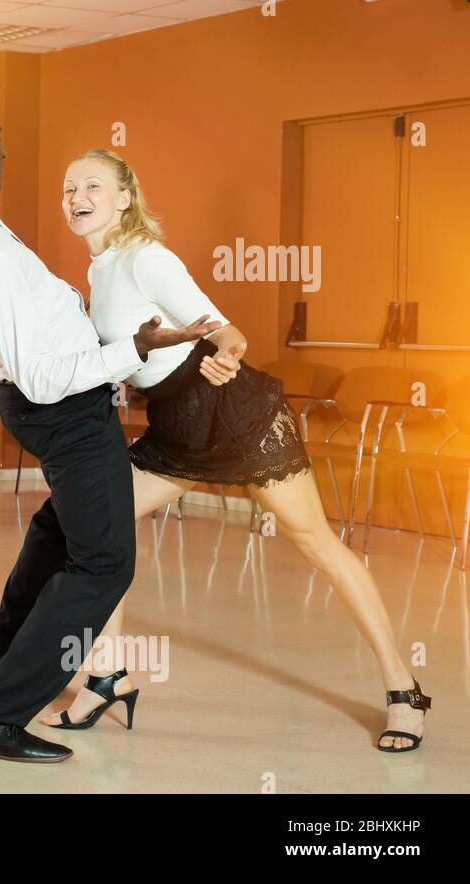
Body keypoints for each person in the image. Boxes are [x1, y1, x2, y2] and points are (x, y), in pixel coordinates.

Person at [31, 148, 430, 753]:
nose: (75, 197)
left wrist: (226, 355)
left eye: (91, 185)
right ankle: (107, 676)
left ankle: (404, 690)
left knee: (316, 544)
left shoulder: (146, 258)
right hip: (176, 430)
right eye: (68, 188)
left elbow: (226, 328)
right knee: (95, 531)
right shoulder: (101, 268)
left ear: (123, 198)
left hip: (236, 416)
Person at [0, 92, 221, 764]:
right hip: (64, 407)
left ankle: (1, 639)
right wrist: (133, 349)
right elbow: (47, 375)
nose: (4, 149)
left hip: (38, 402)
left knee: (64, 521)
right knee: (105, 561)